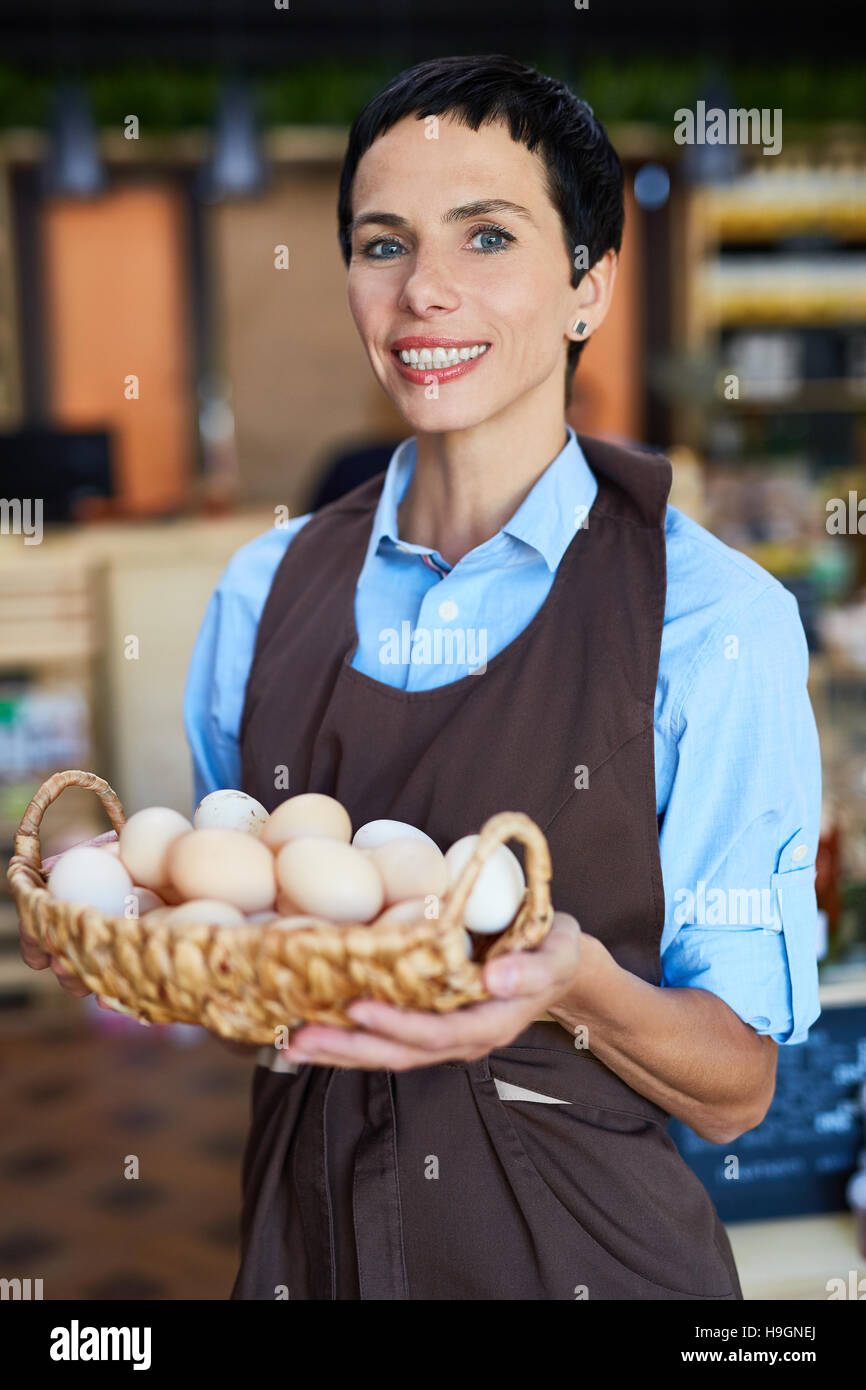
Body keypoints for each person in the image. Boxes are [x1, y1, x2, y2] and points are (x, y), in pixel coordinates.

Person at [24, 54, 822, 1301]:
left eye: (487, 235)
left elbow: (737, 1088)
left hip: (578, 1260)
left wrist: (571, 982)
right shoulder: (259, 593)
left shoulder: (712, 618)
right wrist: (141, 946)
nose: (423, 293)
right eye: (381, 243)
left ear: (587, 285)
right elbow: (253, 930)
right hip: (302, 1245)